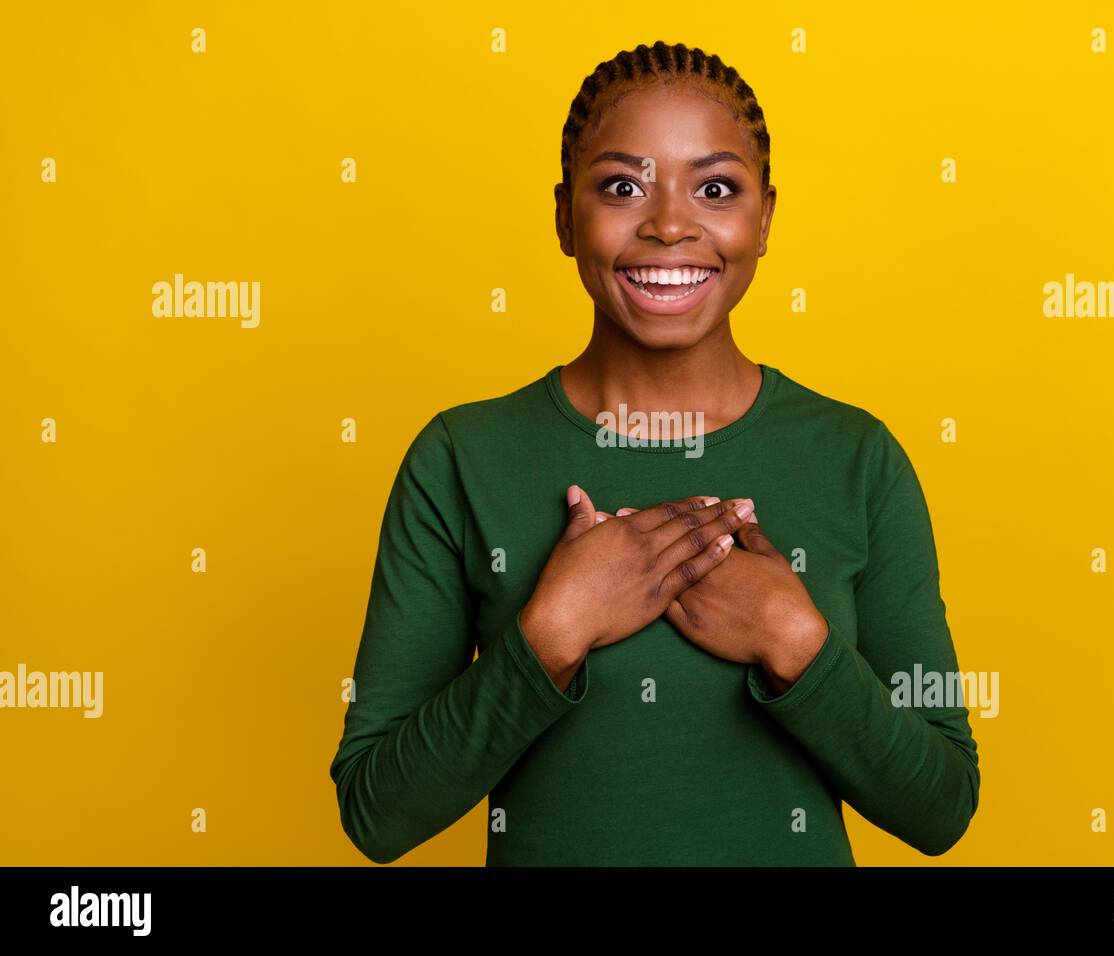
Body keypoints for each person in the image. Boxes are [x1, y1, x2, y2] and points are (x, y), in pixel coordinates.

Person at [328, 41, 980, 866]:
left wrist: (796, 644)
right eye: (622, 186)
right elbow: (377, 812)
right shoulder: (460, 457)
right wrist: (552, 632)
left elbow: (943, 806)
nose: (670, 224)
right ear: (565, 216)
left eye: (715, 188)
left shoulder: (857, 458)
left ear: (766, 217)